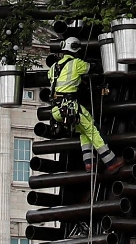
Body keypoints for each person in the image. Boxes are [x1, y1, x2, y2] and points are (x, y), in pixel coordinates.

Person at [48, 37, 124, 174]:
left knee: (84, 128)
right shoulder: (76, 64)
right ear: (76, 50)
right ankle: (111, 162)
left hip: (56, 109)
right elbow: (91, 68)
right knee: (92, 130)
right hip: (70, 106)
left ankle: (89, 163)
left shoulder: (54, 67)